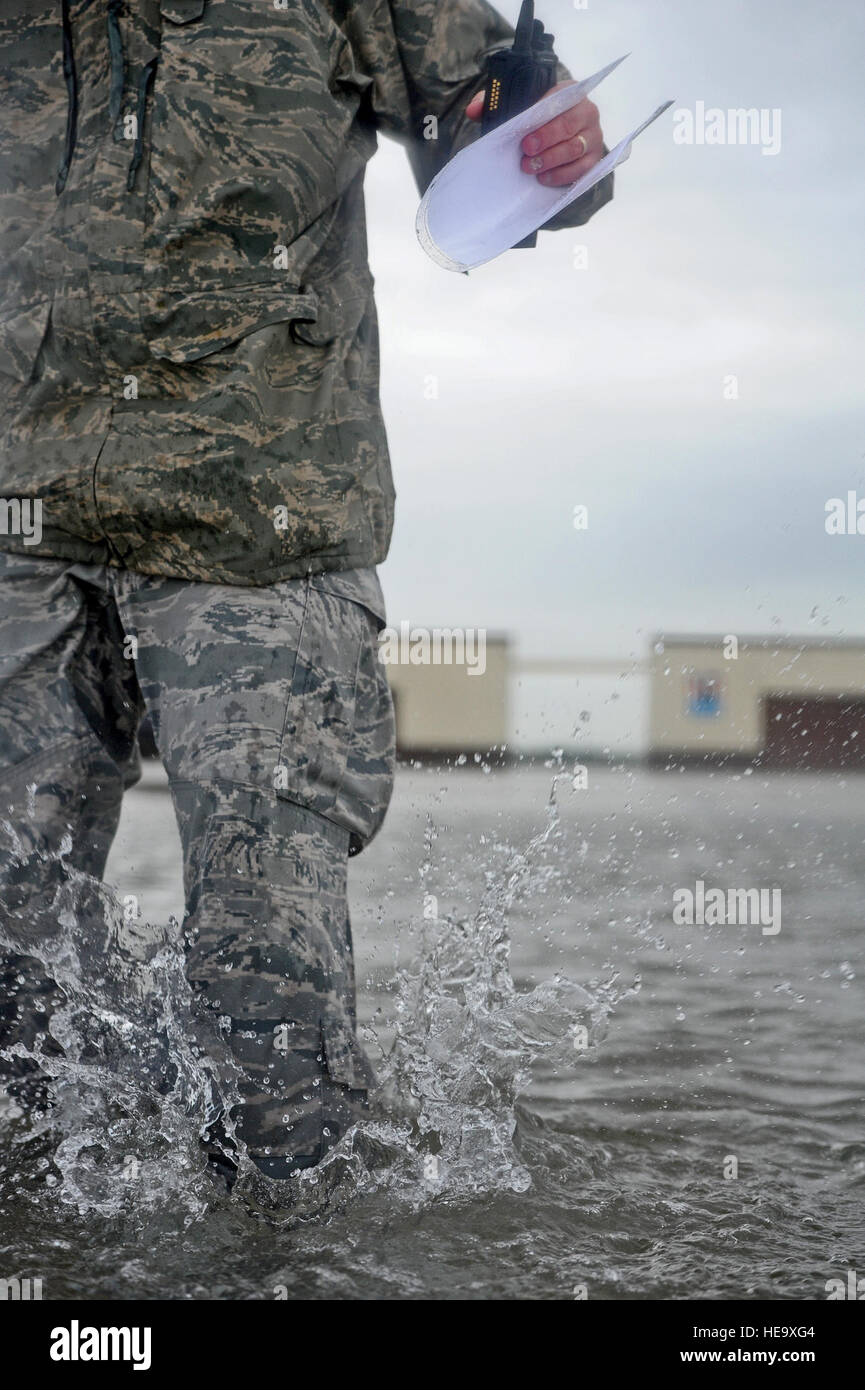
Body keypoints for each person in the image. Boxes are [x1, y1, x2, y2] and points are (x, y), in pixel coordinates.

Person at [0, 0, 613, 1185]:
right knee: (15, 998)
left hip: (266, 538)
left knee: (264, 1010)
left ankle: (294, 1258)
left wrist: (546, 141)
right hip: (22, 533)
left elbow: (505, 128)